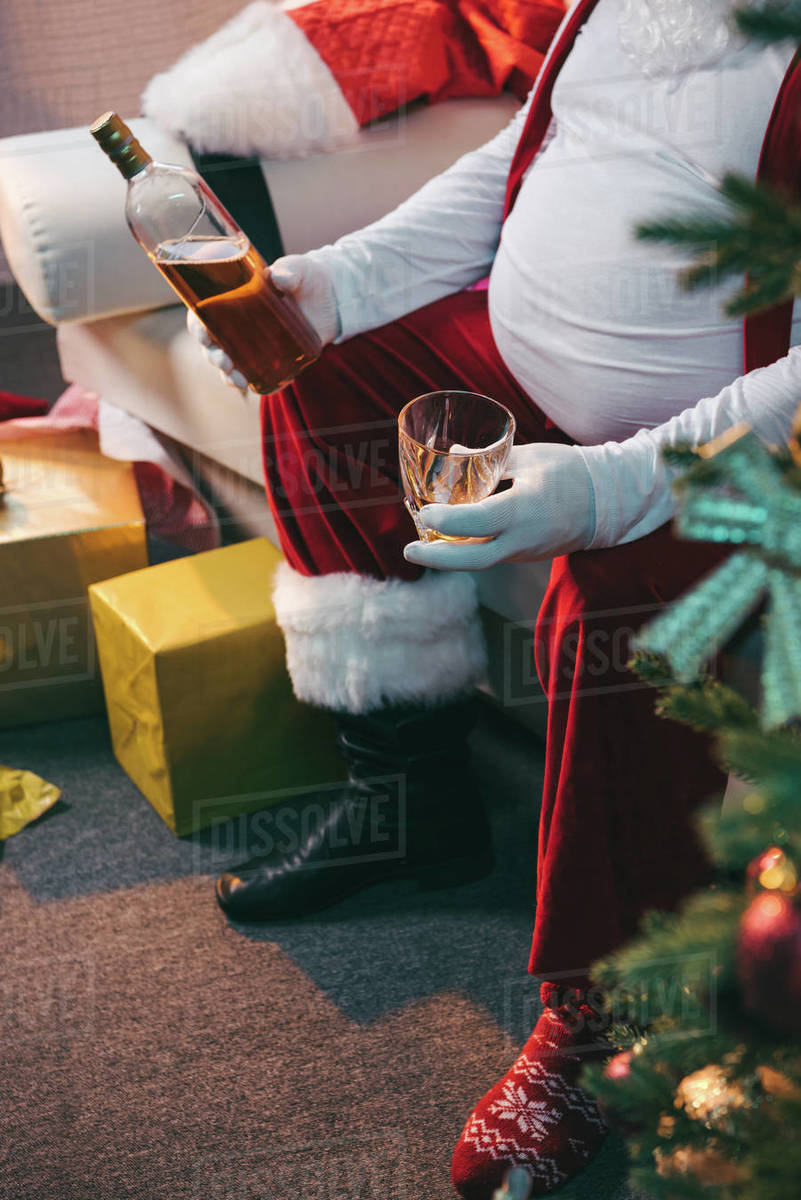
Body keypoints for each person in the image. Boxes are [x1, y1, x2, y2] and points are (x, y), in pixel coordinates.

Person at [188, 0, 801, 1193]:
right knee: (324, 380)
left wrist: (614, 489)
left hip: (733, 453)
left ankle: (605, 1012)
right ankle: (408, 791)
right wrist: (336, 288)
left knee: (616, 603)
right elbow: (530, 155)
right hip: (530, 364)